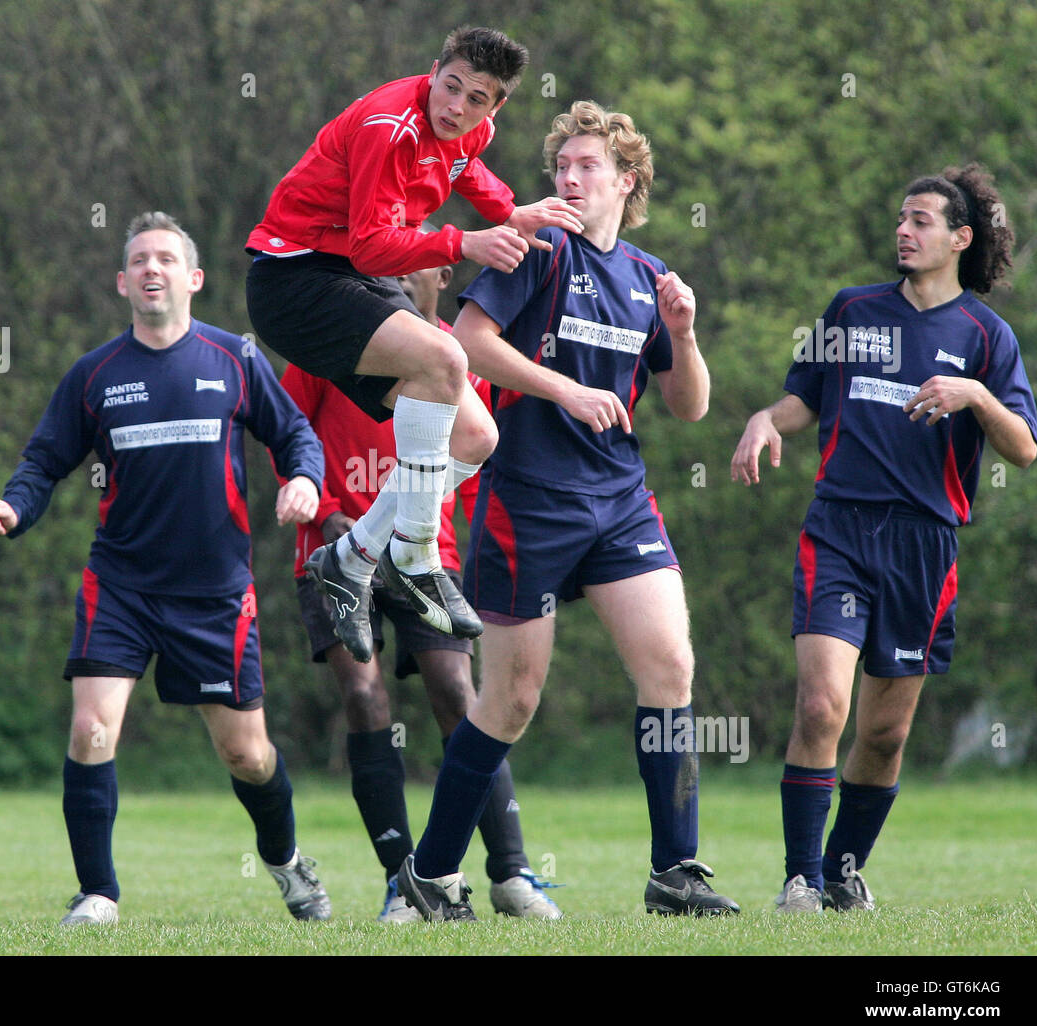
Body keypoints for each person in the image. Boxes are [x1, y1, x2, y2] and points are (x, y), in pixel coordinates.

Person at [397, 101, 739, 920]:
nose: (570, 179)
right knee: (511, 700)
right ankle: (433, 874)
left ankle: (675, 872)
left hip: (619, 502)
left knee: (672, 668)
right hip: (530, 500)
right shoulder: (536, 247)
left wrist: (685, 335)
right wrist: (563, 389)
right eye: (563, 166)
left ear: (628, 181)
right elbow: (471, 340)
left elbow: (688, 406)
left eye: (588, 167)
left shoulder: (647, 275)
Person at [0, 212, 331, 924]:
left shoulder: (236, 358)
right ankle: (98, 891)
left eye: (166, 258)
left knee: (246, 755)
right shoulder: (96, 374)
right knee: (90, 732)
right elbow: (44, 461)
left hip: (215, 591)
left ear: (193, 278)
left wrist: (305, 481)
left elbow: (295, 433)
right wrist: (13, 508)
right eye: (139, 260)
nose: (152, 269)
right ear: (122, 281)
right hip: (122, 584)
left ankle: (288, 862)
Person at [731, 164, 1037, 913]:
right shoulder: (851, 309)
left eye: (921, 221)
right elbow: (804, 398)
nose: (904, 230)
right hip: (838, 528)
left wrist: (973, 394)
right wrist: (766, 419)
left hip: (924, 547)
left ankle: (842, 869)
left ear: (961, 238)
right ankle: (800, 877)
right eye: (901, 218)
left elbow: (1025, 446)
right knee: (820, 708)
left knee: (884, 734)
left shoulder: (985, 337)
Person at [246, 26, 584, 665]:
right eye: (449, 85)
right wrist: (466, 242)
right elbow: (375, 246)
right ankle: (416, 549)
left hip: (349, 275)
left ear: (494, 107)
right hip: (293, 280)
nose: (454, 105)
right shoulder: (387, 126)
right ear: (434, 71)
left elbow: (466, 167)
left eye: (475, 97)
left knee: (477, 437)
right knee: (447, 356)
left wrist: (512, 212)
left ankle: (352, 557)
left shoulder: (468, 130)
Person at [282, 252, 559, 922]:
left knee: (459, 693)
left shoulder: (459, 373)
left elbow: (475, 456)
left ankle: (511, 871)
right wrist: (322, 509)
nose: (403, 278)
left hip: (426, 554)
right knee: (365, 694)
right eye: (389, 269)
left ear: (444, 281)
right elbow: (289, 435)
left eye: (421, 268)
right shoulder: (338, 346)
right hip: (334, 546)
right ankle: (399, 880)